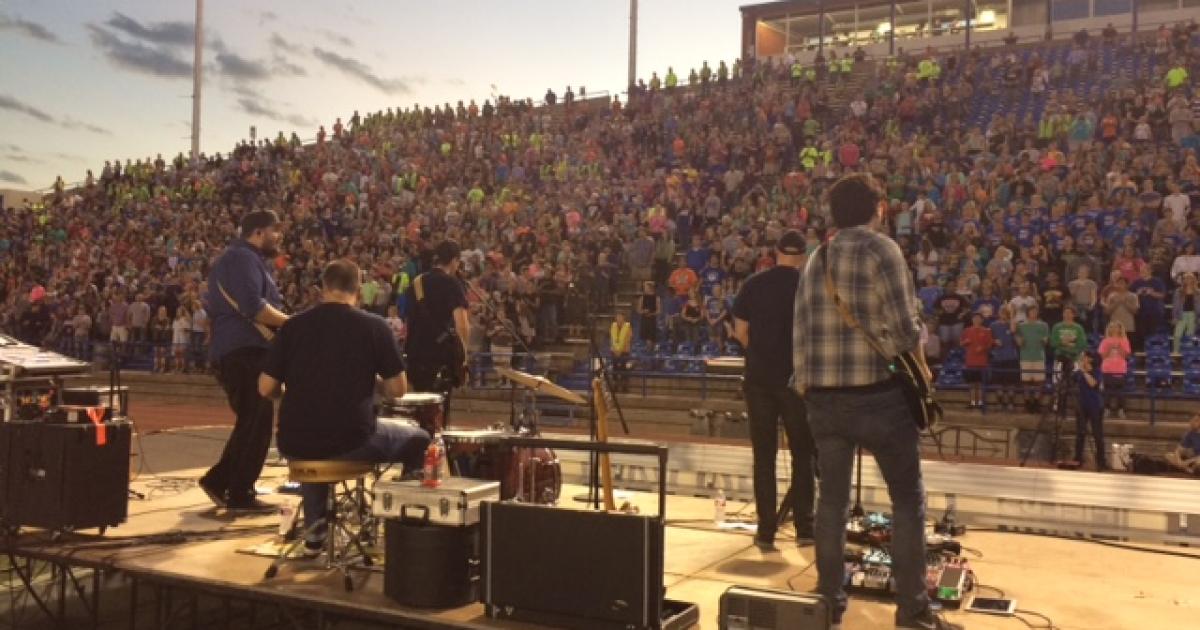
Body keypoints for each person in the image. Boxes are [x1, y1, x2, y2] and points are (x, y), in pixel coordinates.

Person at [793, 175, 957, 630]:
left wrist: (808, 387)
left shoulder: (816, 258)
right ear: (878, 207)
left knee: (832, 504)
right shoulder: (881, 249)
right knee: (907, 500)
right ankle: (913, 613)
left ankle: (825, 606)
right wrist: (922, 369)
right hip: (878, 398)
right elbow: (905, 330)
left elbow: (801, 331)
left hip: (823, 399)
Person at [259, 260, 429, 554]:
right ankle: (404, 529)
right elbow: (398, 389)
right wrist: (371, 380)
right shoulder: (374, 326)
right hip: (352, 441)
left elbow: (265, 388)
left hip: (293, 443)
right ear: (359, 289)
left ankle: (315, 535)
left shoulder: (292, 326)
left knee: (313, 438)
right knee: (420, 440)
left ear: (322, 289)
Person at [732, 230, 816, 551]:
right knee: (803, 455)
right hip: (797, 382)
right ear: (803, 256)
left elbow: (741, 331)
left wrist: (761, 351)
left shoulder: (754, 284)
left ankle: (766, 529)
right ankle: (804, 528)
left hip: (759, 380)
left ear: (776, 253)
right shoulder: (809, 286)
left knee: (763, 456)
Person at [199, 210, 289, 511]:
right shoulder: (242, 259)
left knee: (254, 419)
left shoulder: (244, 259)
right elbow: (254, 307)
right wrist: (292, 323)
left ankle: (226, 482)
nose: (278, 237)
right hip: (243, 351)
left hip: (242, 350)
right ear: (259, 232)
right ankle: (236, 490)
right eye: (274, 231)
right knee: (256, 419)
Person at [405, 240, 471, 422]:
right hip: (441, 358)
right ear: (454, 261)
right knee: (438, 415)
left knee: (419, 411)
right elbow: (462, 324)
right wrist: (463, 358)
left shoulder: (417, 282)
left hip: (415, 355)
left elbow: (408, 319)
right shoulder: (452, 284)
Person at [1072, 351, 1107, 470]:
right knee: (1080, 433)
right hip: (1082, 405)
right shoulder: (1079, 373)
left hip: (1095, 406)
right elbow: (1072, 379)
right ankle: (1077, 458)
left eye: (1085, 357)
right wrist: (1077, 370)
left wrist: (1084, 372)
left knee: (1097, 434)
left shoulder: (1097, 372)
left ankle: (1101, 461)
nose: (1083, 359)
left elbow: (1093, 384)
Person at [1098, 322, 1131, 419]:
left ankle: (1121, 409)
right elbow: (1103, 356)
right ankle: (1106, 409)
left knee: (1120, 391)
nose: (1115, 329)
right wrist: (1110, 347)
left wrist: (1118, 347)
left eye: (1117, 327)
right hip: (1107, 369)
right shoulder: (1105, 341)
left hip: (1120, 369)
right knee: (1107, 390)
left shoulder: (1124, 340)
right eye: (1112, 327)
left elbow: (1126, 356)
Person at [960, 312, 993, 410]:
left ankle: (980, 402)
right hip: (970, 361)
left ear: (982, 320)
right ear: (972, 319)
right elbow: (961, 343)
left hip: (982, 361)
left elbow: (989, 344)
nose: (976, 320)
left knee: (979, 383)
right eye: (975, 318)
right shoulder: (967, 331)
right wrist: (965, 342)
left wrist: (982, 348)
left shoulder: (986, 331)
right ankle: (972, 402)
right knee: (972, 384)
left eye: (978, 318)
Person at [609, 311, 632, 393]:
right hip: (614, 351)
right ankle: (615, 386)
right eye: (617, 317)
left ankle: (624, 386)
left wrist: (619, 351)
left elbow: (626, 340)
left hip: (624, 351)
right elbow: (613, 339)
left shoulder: (628, 326)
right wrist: (616, 350)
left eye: (620, 317)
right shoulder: (613, 326)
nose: (618, 318)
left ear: (623, 318)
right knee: (614, 368)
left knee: (623, 369)